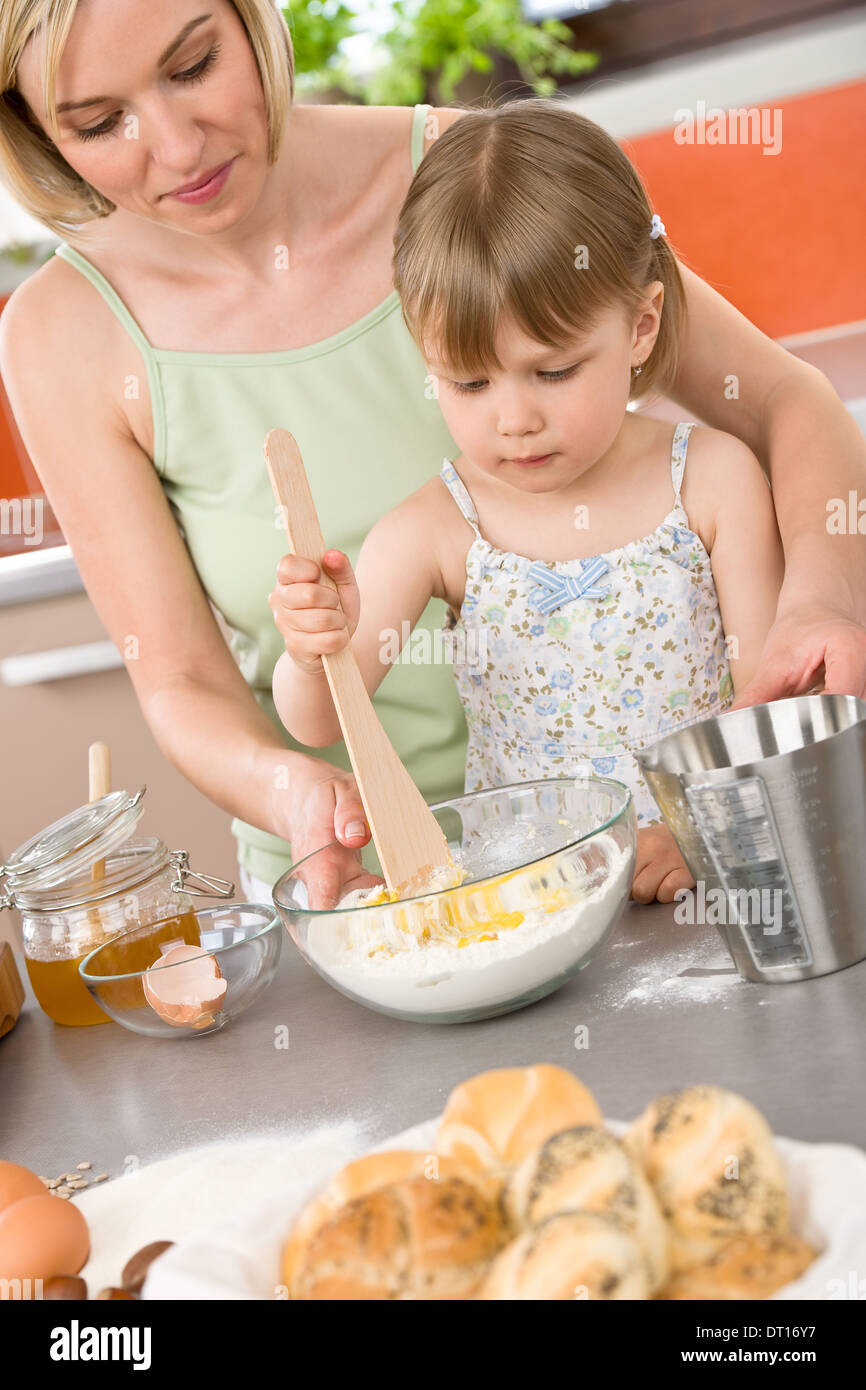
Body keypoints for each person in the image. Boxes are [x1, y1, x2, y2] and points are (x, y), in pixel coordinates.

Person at [0, 2, 863, 911]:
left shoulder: (467, 183)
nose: (177, 147)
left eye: (195, 65)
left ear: (253, 21)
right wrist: (293, 790)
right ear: (30, 128)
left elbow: (787, 402)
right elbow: (178, 680)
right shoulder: (62, 335)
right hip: (363, 885)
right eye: (99, 122)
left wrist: (823, 601)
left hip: (659, 855)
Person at [269, 102, 786, 903]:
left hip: (706, 891)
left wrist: (699, 835)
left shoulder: (714, 482)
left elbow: (767, 717)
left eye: (553, 372)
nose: (514, 419)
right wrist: (311, 654)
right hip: (523, 916)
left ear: (641, 325)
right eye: (469, 383)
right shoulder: (434, 531)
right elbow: (320, 723)